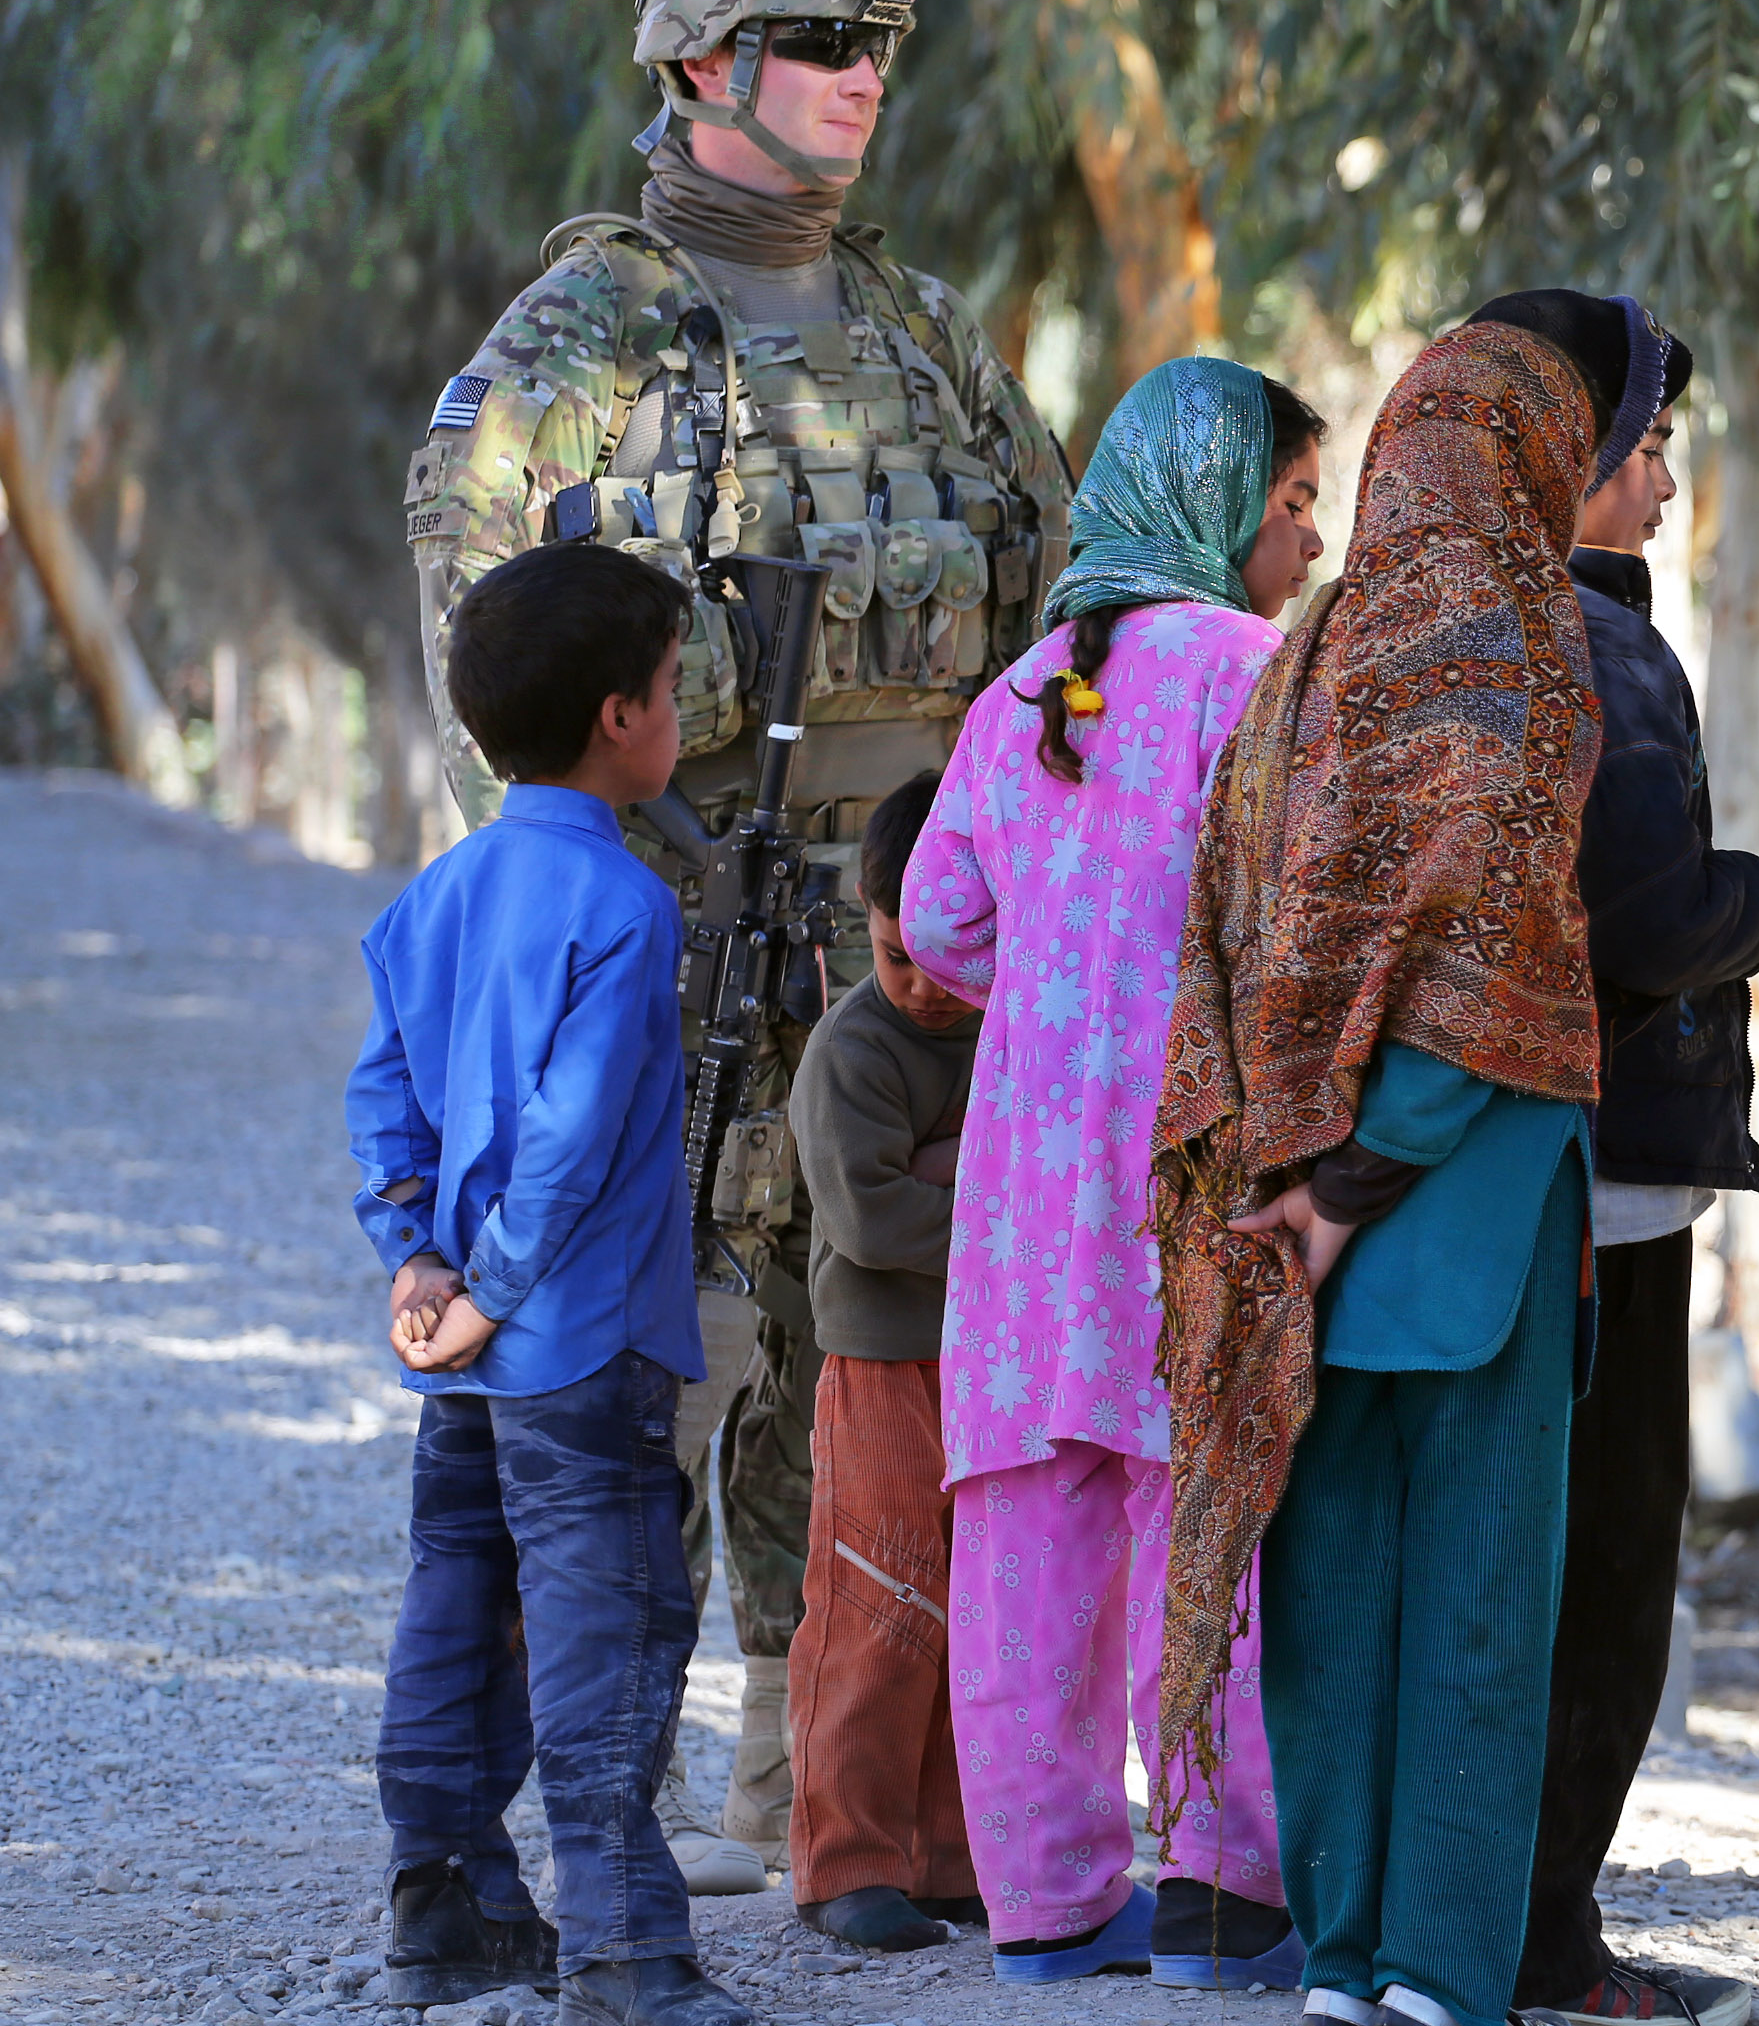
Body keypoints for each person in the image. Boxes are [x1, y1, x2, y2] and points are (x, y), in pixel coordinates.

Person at [403, 0, 1071, 1885]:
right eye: (819, 41)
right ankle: (575, 1791)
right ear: (704, 63)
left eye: (878, 45)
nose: (863, 80)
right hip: (664, 924)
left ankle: (821, 1790)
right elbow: (482, 649)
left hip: (904, 948)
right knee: (647, 1350)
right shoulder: (575, 343)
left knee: (866, 1344)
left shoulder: (926, 330)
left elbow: (1053, 608)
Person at [1152, 314, 1607, 2026]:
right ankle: (1436, 1967)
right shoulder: (1520, 639)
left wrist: (1287, 1186)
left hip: (1287, 1216)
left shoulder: (1313, 648)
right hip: (1458, 1211)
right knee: (1479, 1608)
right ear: (1530, 448)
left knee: (1329, 1596)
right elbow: (1480, 968)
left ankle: (1339, 1958)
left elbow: (1247, 914)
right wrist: (1358, 1183)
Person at [901, 356, 1329, 1986]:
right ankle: (1222, 1895)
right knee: (1205, 1520)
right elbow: (1306, 913)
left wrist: (1053, 957)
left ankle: (1050, 1904)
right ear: (1213, 505)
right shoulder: (1254, 676)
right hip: (1194, 1181)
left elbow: (939, 920)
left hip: (1025, 1205)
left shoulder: (1022, 697)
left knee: (1026, 1538)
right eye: (1288, 502)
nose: (1304, 536)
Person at [1462, 293, 1759, 2026]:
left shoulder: (1433, 618)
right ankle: (1542, 1937)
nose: (1670, 483)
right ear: (1571, 459)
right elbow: (1639, 916)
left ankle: (1464, 1917)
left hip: (1478, 1175)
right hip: (1596, 1177)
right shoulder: (1589, 644)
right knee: (1601, 1564)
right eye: (1651, 447)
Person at [348, 541, 756, 2026]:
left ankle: (441, 1906)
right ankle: (629, 1955)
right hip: (576, 1346)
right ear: (619, 720)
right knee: (614, 1624)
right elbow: (576, 1141)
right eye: (665, 688)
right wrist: (496, 1290)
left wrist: (418, 1258)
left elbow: (383, 1093)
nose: (672, 712)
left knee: (455, 1597)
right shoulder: (632, 912)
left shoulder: (437, 895)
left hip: (462, 1345)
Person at [779, 771, 980, 1950]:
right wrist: (987, 1195)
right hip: (880, 1363)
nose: (921, 986)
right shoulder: (852, 1053)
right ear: (863, 914)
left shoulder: (1007, 1020)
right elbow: (870, 1222)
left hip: (989, 1362)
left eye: (950, 958)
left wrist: (951, 1174)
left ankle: (950, 1858)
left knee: (976, 1606)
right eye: (896, 955)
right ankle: (845, 1859)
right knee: (879, 1596)